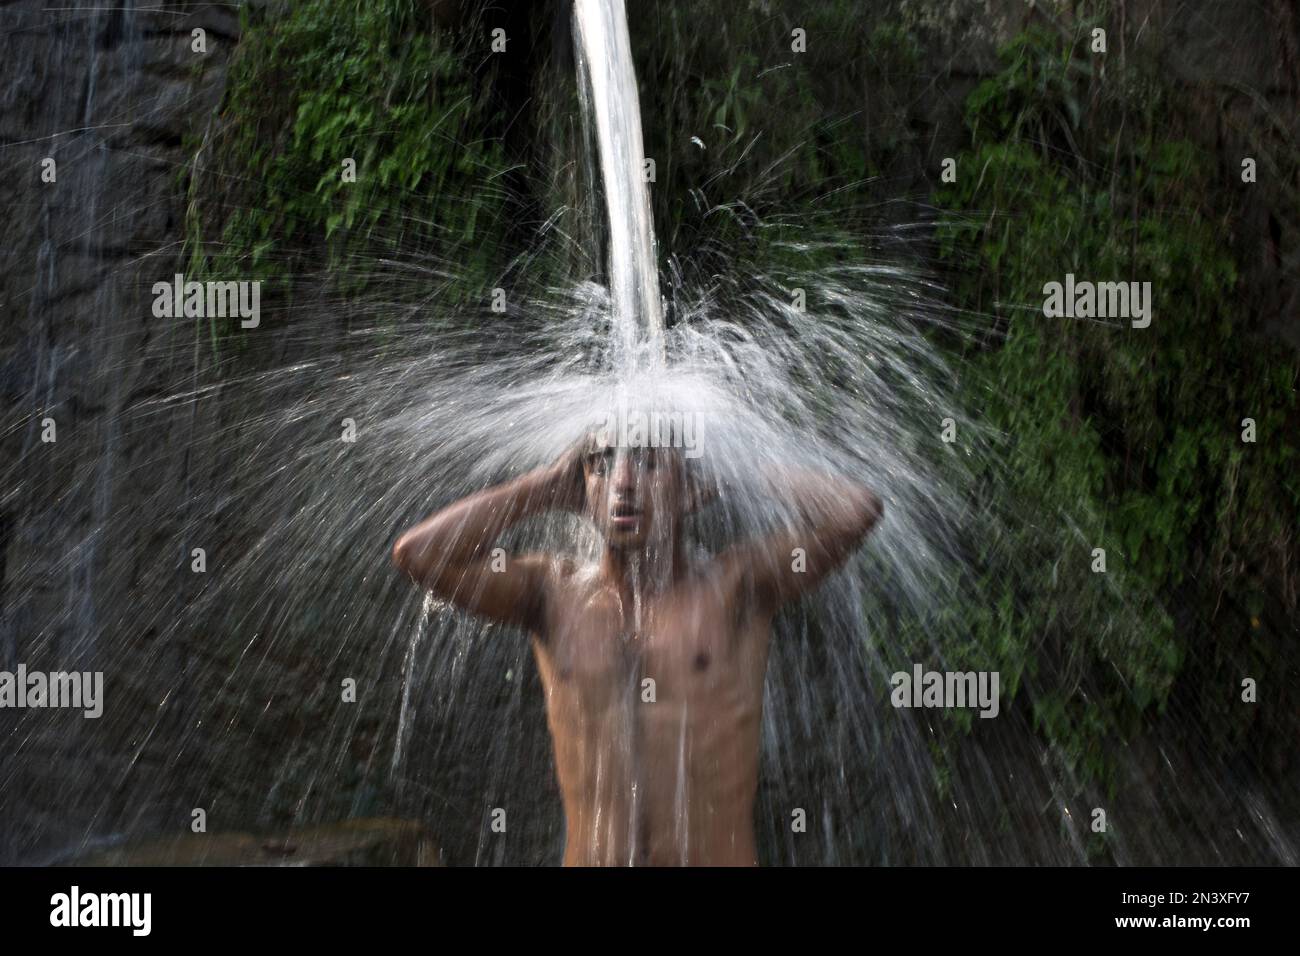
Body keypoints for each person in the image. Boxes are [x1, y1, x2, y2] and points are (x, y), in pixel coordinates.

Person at [391, 421, 882, 865]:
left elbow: (854, 513)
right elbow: (418, 554)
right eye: (601, 464)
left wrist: (737, 469)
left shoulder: (738, 587)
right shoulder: (549, 593)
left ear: (686, 485)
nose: (622, 482)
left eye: (647, 462)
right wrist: (542, 487)